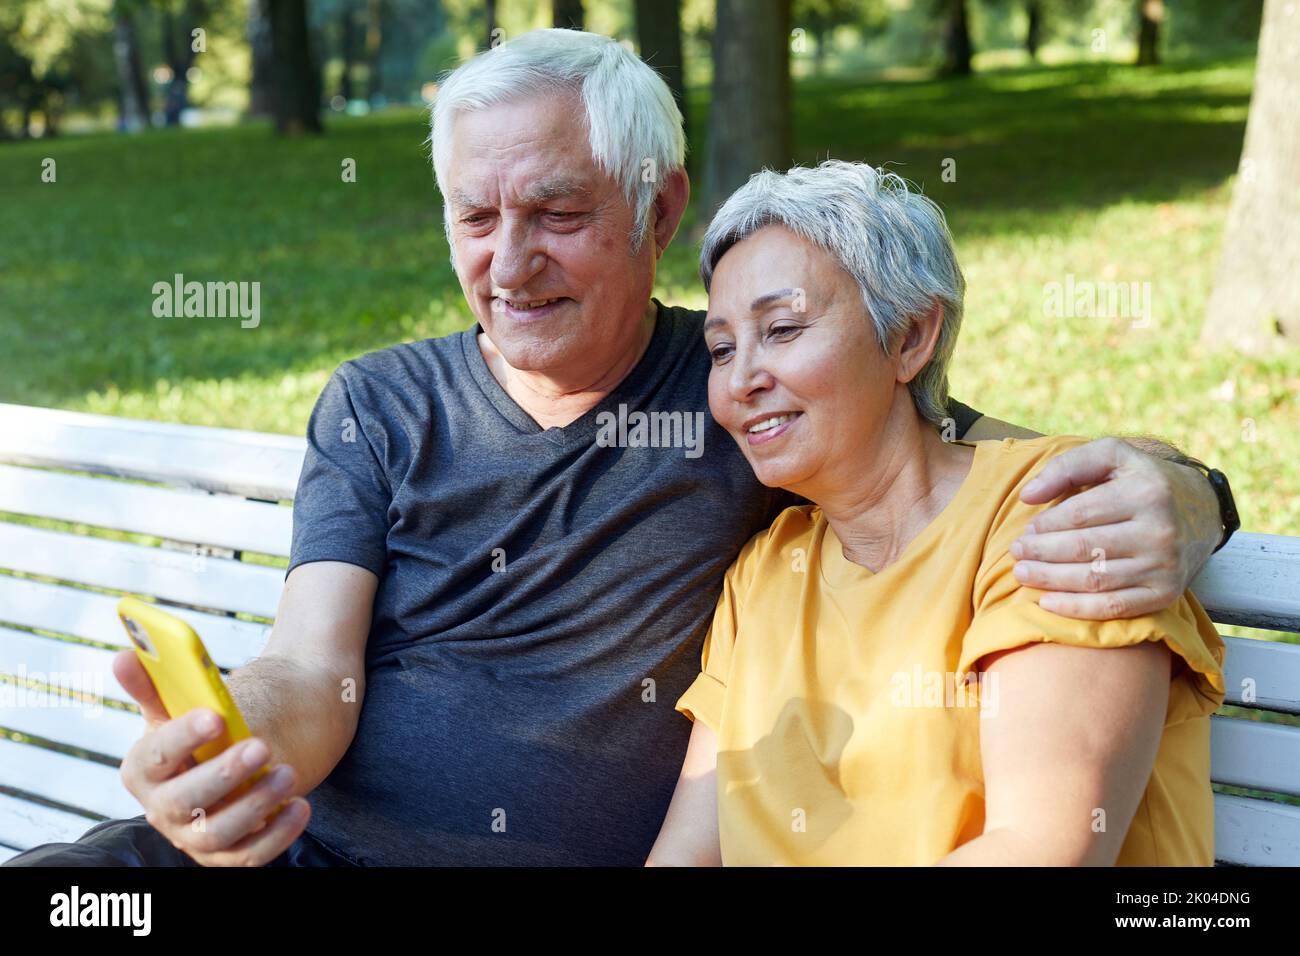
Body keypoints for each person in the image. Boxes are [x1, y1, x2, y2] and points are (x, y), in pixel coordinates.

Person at [6, 30, 1230, 868]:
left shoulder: (751, 392)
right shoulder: (379, 404)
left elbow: (961, 451)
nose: (509, 259)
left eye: (557, 211)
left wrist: (1187, 493)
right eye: (476, 217)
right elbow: (312, 671)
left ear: (658, 211)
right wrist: (232, 736)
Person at [645, 161, 1226, 866]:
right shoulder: (766, 573)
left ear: (911, 337)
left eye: (785, 328)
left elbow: (1043, 850)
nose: (742, 380)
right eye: (722, 348)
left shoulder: (1054, 518)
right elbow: (686, 853)